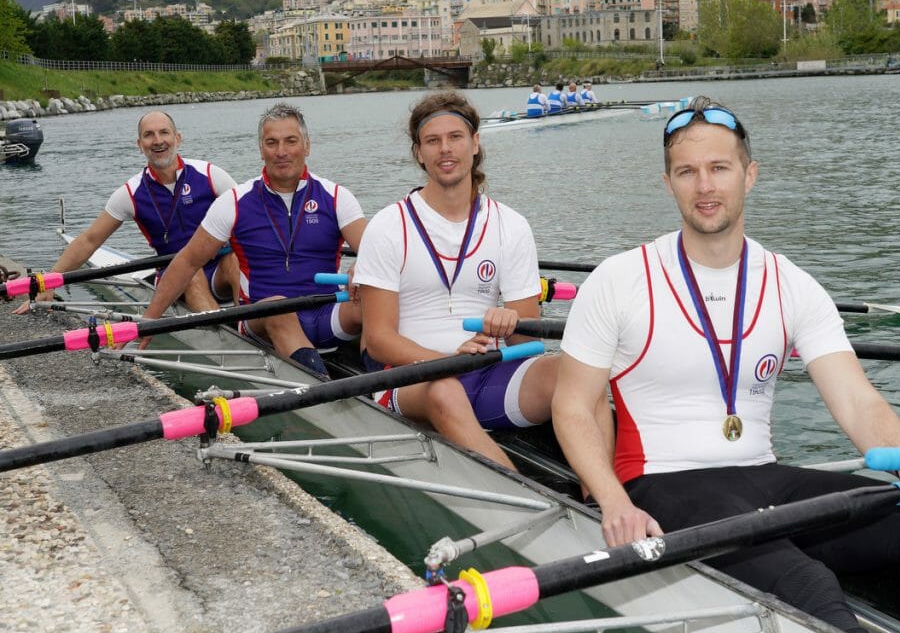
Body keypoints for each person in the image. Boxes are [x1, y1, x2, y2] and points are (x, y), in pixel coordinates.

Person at [551, 96, 900, 633]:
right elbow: (573, 405)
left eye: (719, 168)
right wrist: (613, 501)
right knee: (807, 581)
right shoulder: (620, 279)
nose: (704, 186)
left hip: (763, 477)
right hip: (660, 485)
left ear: (750, 174)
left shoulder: (793, 284)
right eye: (687, 172)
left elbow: (857, 400)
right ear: (668, 184)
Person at [354, 91, 612, 471]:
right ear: (419, 152)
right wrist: (447, 362)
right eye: (433, 140)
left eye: (456, 137)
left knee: (579, 373)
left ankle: (605, 497)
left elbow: (527, 342)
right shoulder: (389, 226)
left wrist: (510, 323)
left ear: (475, 144)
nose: (446, 149)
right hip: (413, 379)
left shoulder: (510, 224)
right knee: (445, 390)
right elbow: (377, 340)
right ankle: (524, 495)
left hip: (487, 370)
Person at [141, 103, 366, 380]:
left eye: (290, 141)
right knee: (278, 307)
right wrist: (148, 322)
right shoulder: (235, 202)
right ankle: (326, 393)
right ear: (261, 149)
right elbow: (188, 261)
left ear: (307, 146)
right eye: (272, 143)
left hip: (325, 313)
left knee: (374, 299)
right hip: (263, 317)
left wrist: (364, 268)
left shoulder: (336, 197)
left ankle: (394, 386)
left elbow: (373, 252)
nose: (281, 151)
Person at [14, 110, 239, 315]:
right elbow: (89, 241)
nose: (158, 140)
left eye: (164, 133)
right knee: (188, 273)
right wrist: (49, 281)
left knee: (235, 260)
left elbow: (249, 216)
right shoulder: (131, 193)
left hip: (217, 267)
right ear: (140, 145)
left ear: (177, 138)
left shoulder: (210, 175)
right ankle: (225, 333)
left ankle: (251, 322)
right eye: (149, 135)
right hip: (176, 274)